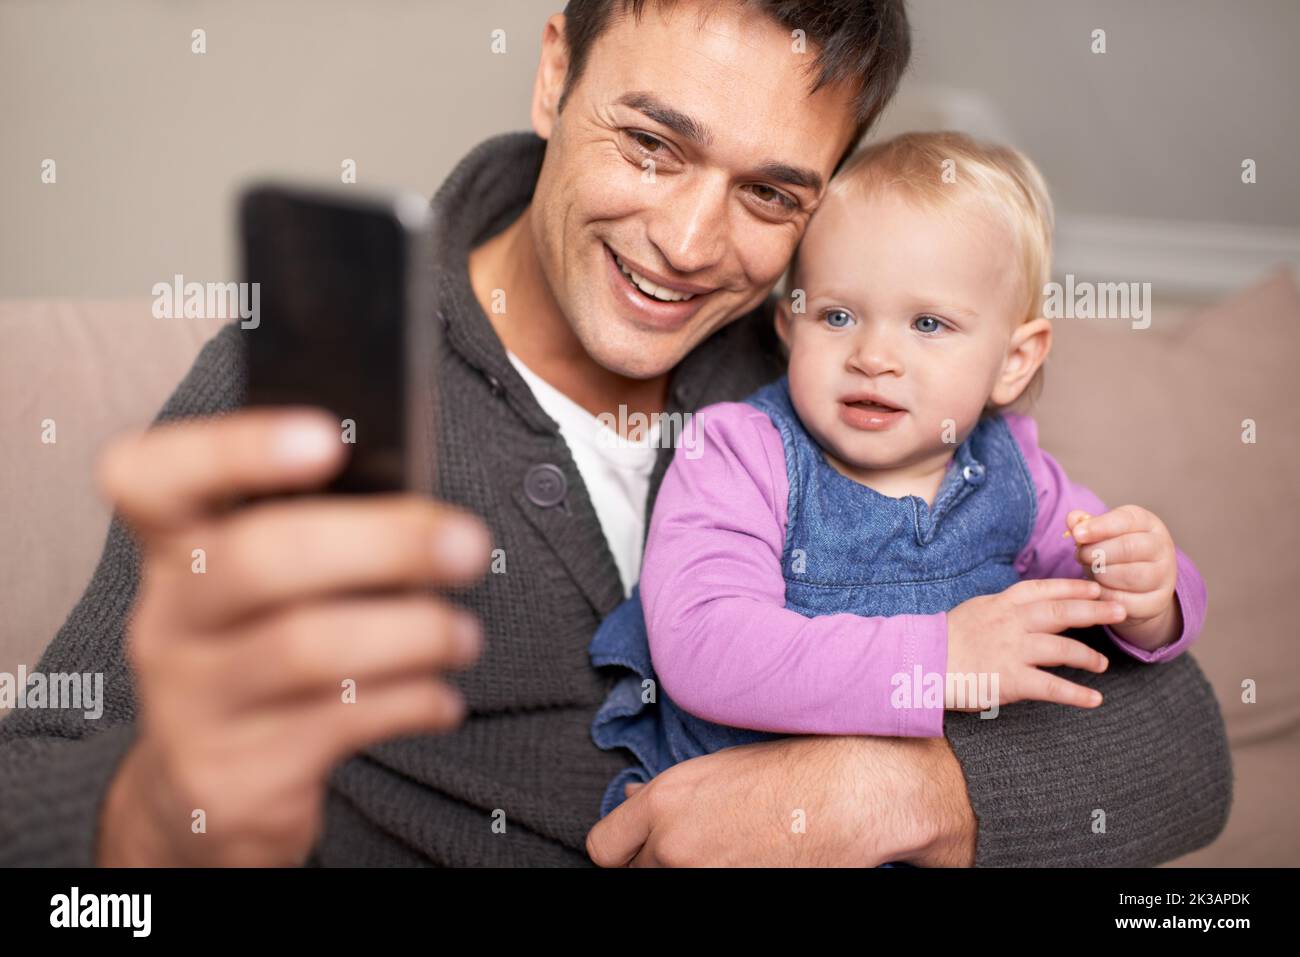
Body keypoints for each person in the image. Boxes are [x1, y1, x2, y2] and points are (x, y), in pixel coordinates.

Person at [0, 0, 1230, 868]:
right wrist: (156, 821)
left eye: (769, 194)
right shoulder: (325, 393)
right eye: (651, 144)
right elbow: (32, 797)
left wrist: (883, 793)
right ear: (552, 75)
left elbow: (1185, 751)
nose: (691, 246)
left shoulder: (840, 371)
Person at [589, 131, 1209, 823]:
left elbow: (1109, 602)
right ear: (789, 327)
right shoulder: (738, 452)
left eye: (928, 322)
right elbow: (705, 647)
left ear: (1014, 359)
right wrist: (940, 657)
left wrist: (1154, 597)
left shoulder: (1019, 477)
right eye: (838, 315)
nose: (874, 355)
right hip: (741, 831)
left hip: (923, 833)